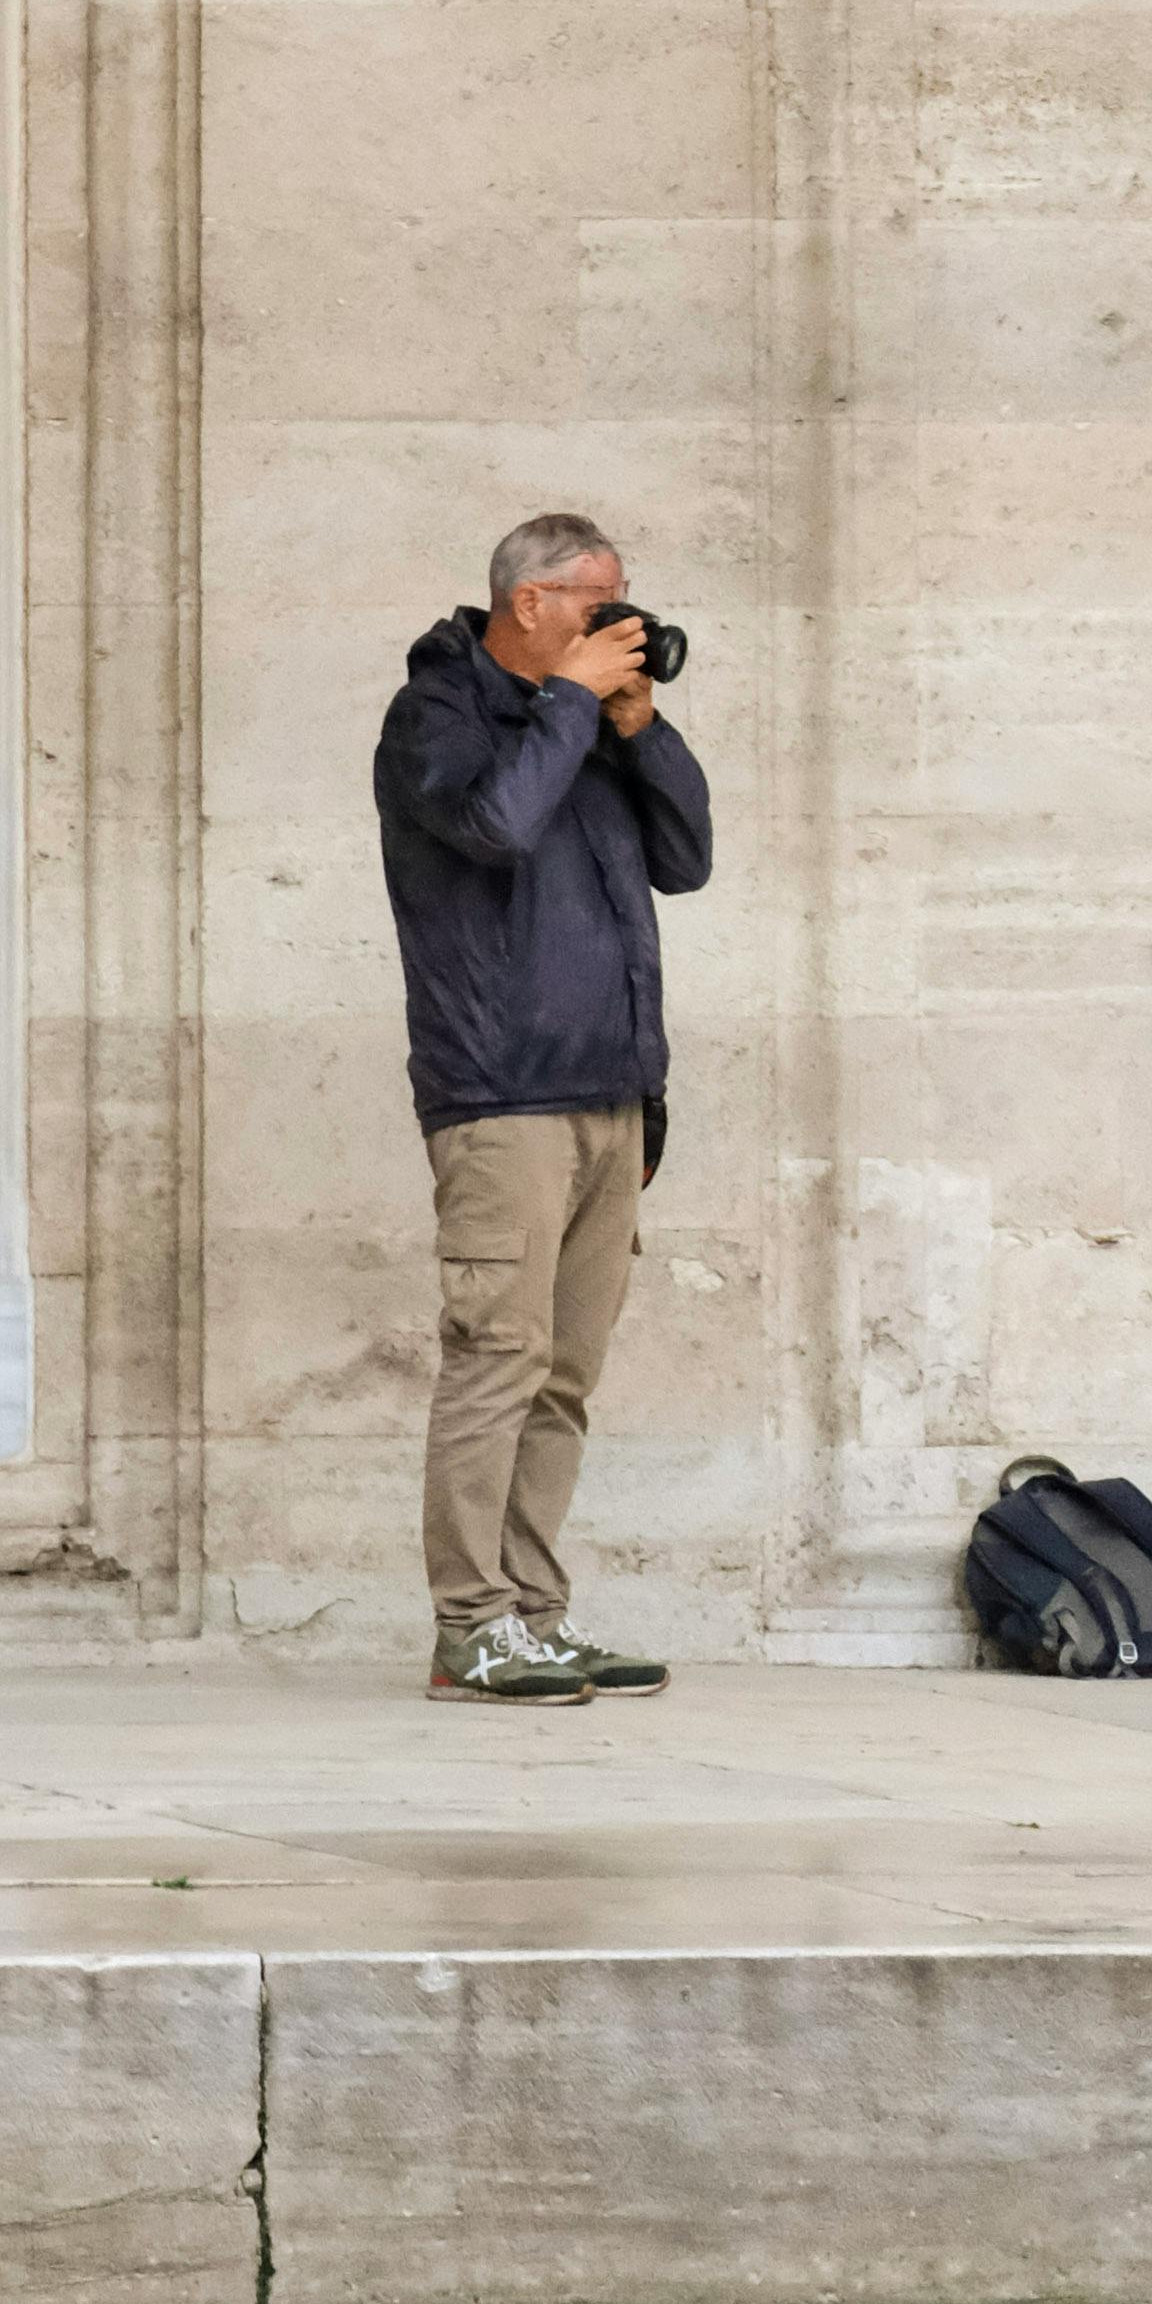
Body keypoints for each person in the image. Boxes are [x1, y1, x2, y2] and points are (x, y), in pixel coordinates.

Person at [372, 511, 712, 1704]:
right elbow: (495, 825)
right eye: (594, 599)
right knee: (496, 1357)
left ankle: (533, 1615)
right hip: (501, 1093)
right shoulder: (438, 718)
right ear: (528, 604)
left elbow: (686, 857)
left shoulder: (591, 724)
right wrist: (570, 704)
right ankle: (470, 1625)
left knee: (564, 1372)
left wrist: (635, 722)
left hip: (610, 1093)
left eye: (624, 598)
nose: (617, 619)